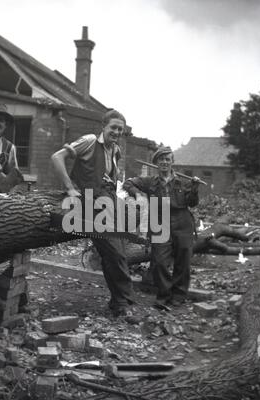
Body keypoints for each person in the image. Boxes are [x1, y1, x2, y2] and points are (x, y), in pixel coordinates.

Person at [51, 109, 135, 317]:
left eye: (120, 130)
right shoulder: (89, 141)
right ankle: (125, 304)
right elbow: (57, 157)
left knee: (116, 251)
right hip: (85, 204)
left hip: (106, 203)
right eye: (113, 127)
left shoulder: (116, 151)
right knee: (114, 251)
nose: (116, 132)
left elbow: (107, 178)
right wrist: (69, 187)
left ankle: (118, 303)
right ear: (103, 127)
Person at [123, 146, 200, 309]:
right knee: (159, 261)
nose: (164, 162)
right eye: (161, 159)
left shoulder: (183, 182)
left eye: (167, 159)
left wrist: (194, 188)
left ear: (172, 162)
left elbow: (192, 203)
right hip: (160, 220)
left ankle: (178, 295)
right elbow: (127, 183)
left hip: (182, 220)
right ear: (156, 163)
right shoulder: (149, 181)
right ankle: (163, 296)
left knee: (183, 260)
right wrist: (138, 193)